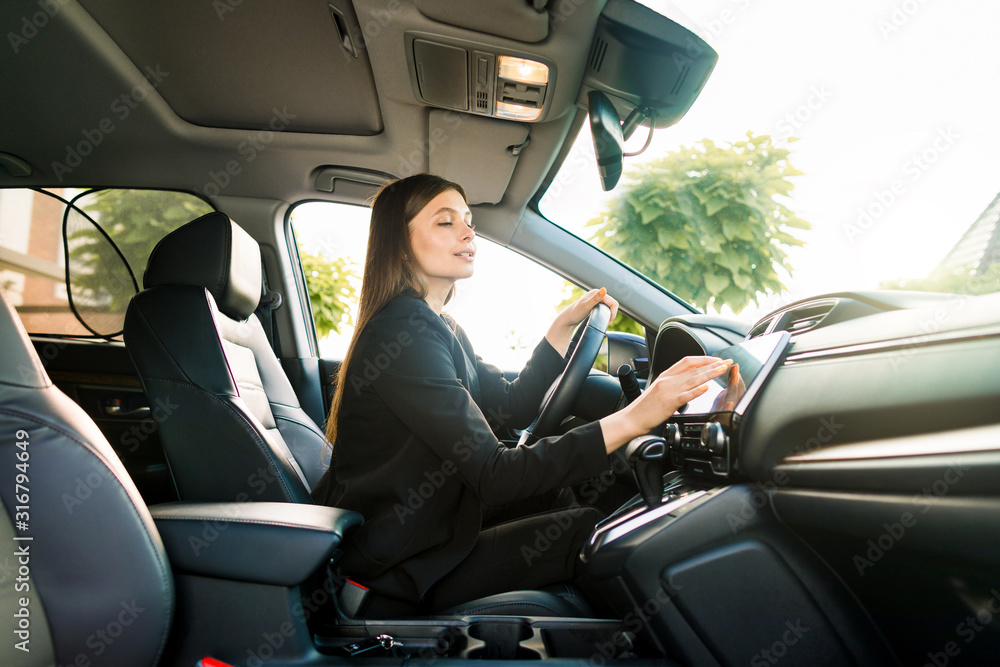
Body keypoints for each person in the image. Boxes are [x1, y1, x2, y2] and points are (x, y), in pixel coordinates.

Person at [311, 173, 732, 617]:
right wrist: (636, 416)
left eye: (468, 220)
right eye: (445, 222)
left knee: (568, 495)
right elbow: (495, 474)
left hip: (433, 528)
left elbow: (509, 405)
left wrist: (557, 333)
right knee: (596, 531)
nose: (468, 232)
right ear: (399, 242)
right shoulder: (403, 334)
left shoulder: (437, 326)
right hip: (400, 566)